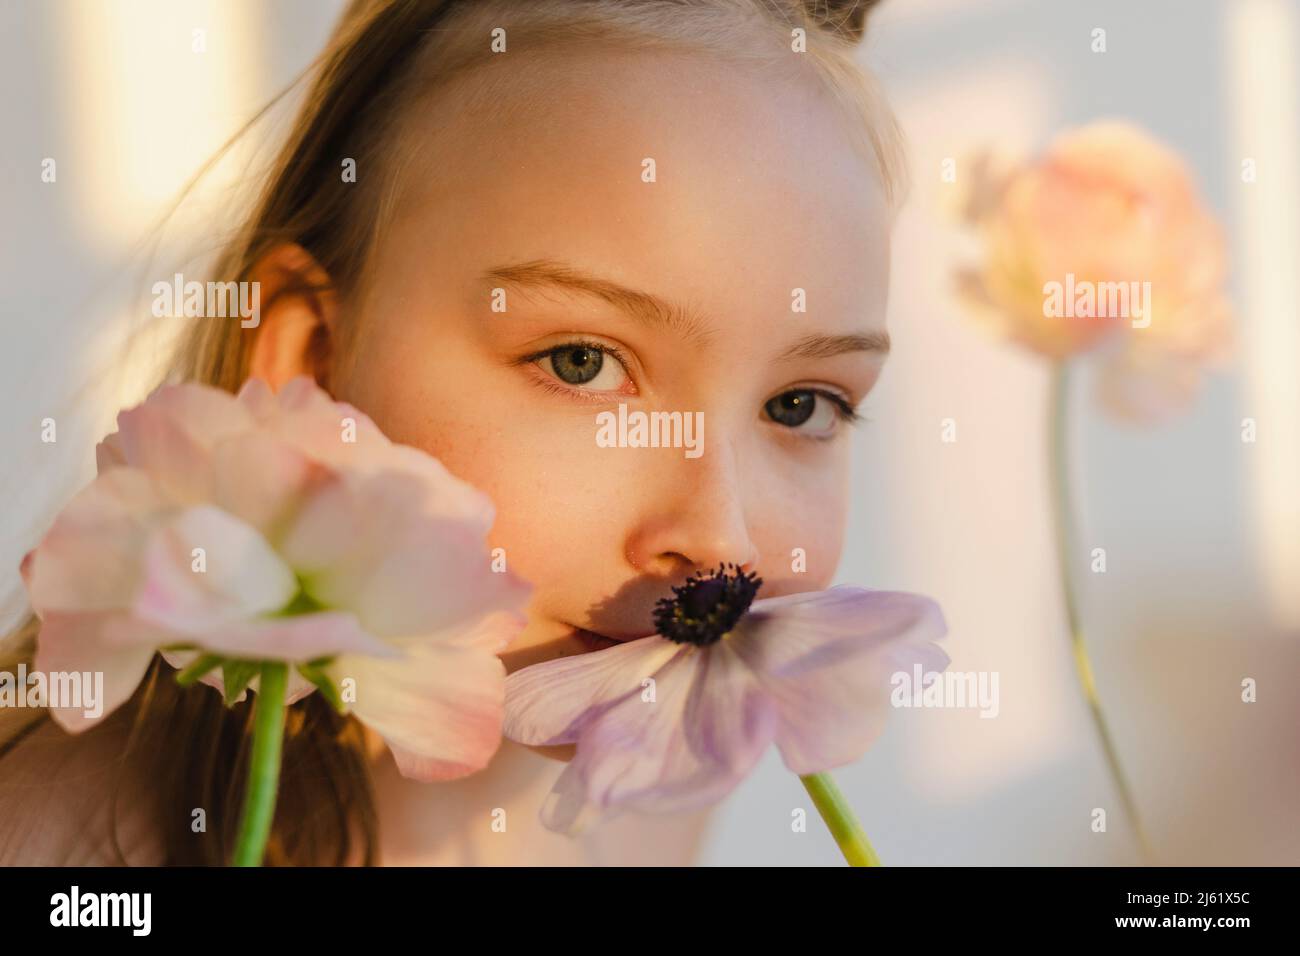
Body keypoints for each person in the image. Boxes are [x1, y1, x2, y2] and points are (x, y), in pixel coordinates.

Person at [0, 0, 906, 865]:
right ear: (312, 361)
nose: (721, 540)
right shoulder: (61, 836)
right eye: (582, 363)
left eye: (801, 405)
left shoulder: (659, 794)